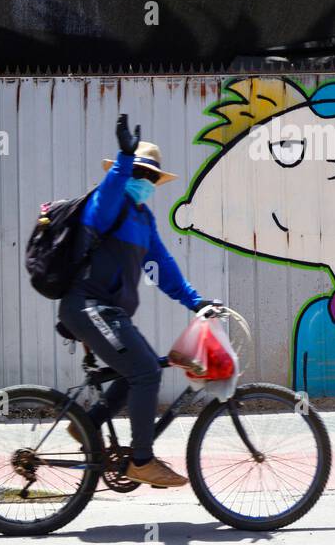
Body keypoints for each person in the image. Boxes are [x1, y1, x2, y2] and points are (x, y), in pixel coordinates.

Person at [57, 114, 219, 488]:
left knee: (143, 368)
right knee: (145, 370)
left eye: (150, 178)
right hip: (87, 306)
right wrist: (125, 156)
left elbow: (162, 267)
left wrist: (196, 302)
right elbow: (113, 185)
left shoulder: (143, 219)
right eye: (139, 174)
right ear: (127, 173)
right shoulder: (106, 203)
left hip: (108, 313)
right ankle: (142, 461)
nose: (144, 183)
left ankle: (88, 425)